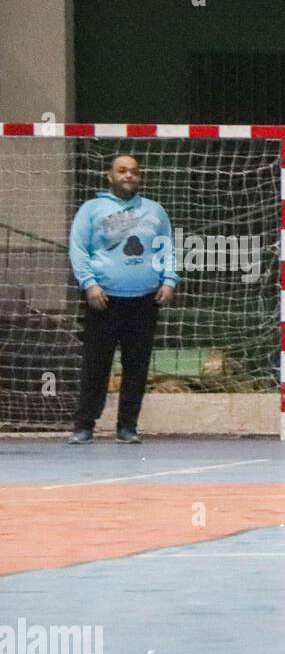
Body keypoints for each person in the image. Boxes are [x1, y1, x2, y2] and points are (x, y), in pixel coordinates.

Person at [66, 153, 177, 444]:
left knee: (137, 366)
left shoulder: (155, 211)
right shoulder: (91, 209)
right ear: (110, 175)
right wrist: (89, 284)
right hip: (103, 300)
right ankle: (84, 425)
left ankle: (127, 426)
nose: (129, 175)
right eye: (122, 170)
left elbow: (167, 248)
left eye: (134, 171)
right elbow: (78, 249)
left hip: (144, 301)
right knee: (96, 365)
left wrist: (169, 279)